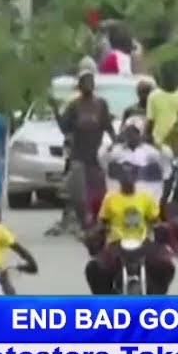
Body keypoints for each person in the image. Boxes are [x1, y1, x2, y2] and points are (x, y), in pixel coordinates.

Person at [84, 164, 174, 295]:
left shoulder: (145, 198)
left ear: (136, 178)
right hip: (116, 243)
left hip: (142, 242)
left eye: (131, 175)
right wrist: (94, 231)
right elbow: (103, 221)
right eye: (124, 175)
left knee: (166, 266)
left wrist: (163, 227)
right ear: (119, 179)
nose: (127, 179)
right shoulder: (110, 198)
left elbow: (155, 220)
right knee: (94, 269)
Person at [54, 71, 115, 234]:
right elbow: (64, 128)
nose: (88, 85)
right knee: (79, 195)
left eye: (90, 81)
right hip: (78, 156)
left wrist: (116, 144)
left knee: (99, 194)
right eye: (84, 82)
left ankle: (98, 224)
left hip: (96, 157)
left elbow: (108, 126)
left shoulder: (101, 104)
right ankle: (84, 224)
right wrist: (55, 111)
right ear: (79, 86)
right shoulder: (74, 106)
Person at [146, 70, 178, 146]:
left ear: (177, 77)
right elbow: (150, 121)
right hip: (159, 143)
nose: (169, 79)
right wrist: (148, 140)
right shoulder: (153, 96)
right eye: (166, 77)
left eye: (172, 77)